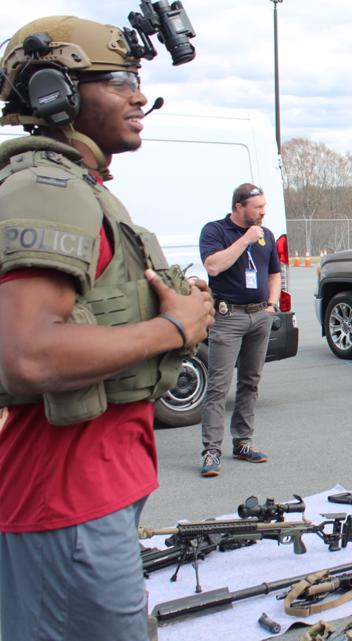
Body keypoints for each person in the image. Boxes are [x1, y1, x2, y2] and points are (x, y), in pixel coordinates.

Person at [0, 16, 214, 641]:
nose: (138, 96)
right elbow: (29, 354)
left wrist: (174, 309)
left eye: (138, 79)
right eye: (118, 80)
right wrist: (174, 328)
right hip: (65, 499)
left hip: (92, 490)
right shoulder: (48, 188)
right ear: (53, 90)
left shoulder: (78, 188)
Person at [197, 182, 282, 476]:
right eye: (257, 207)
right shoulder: (215, 231)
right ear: (238, 207)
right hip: (227, 316)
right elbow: (213, 266)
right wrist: (245, 240)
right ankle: (211, 451)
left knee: (250, 382)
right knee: (219, 386)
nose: (263, 212)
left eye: (264, 206)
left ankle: (243, 442)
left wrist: (271, 305)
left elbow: (274, 273)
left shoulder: (266, 236)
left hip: (259, 316)